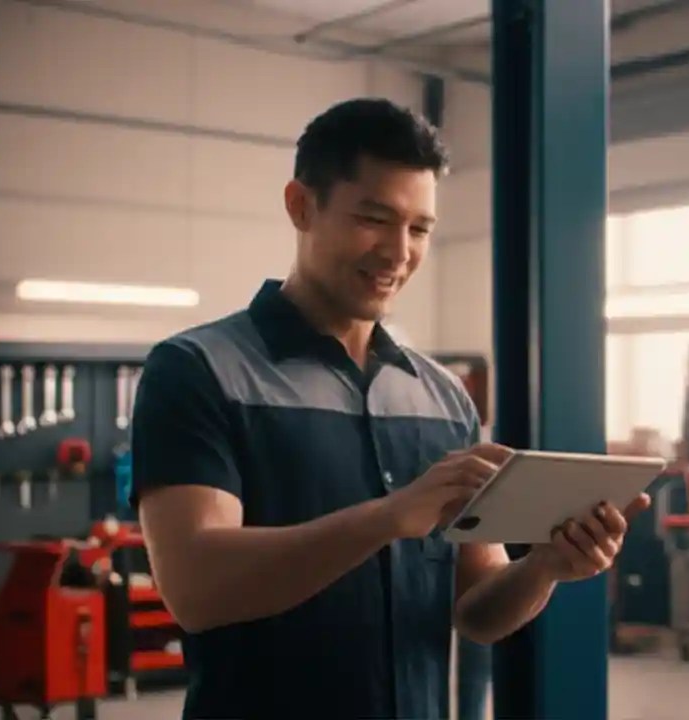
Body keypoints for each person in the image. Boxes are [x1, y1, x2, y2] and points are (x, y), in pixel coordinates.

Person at [130, 98, 650, 720]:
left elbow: (476, 608)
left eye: (421, 229)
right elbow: (197, 588)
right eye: (374, 218)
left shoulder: (442, 397)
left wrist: (543, 568)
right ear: (301, 205)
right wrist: (388, 517)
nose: (399, 252)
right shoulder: (198, 372)